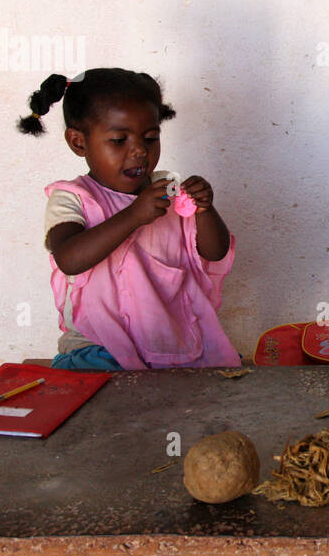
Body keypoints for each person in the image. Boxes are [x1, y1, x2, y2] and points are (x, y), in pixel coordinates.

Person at [18, 68, 241, 370]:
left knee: (225, 382)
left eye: (150, 138)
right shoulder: (72, 198)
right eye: (119, 140)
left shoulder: (169, 191)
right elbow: (69, 259)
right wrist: (134, 215)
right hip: (98, 347)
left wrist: (205, 210)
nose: (139, 151)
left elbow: (214, 252)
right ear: (78, 142)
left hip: (172, 342)